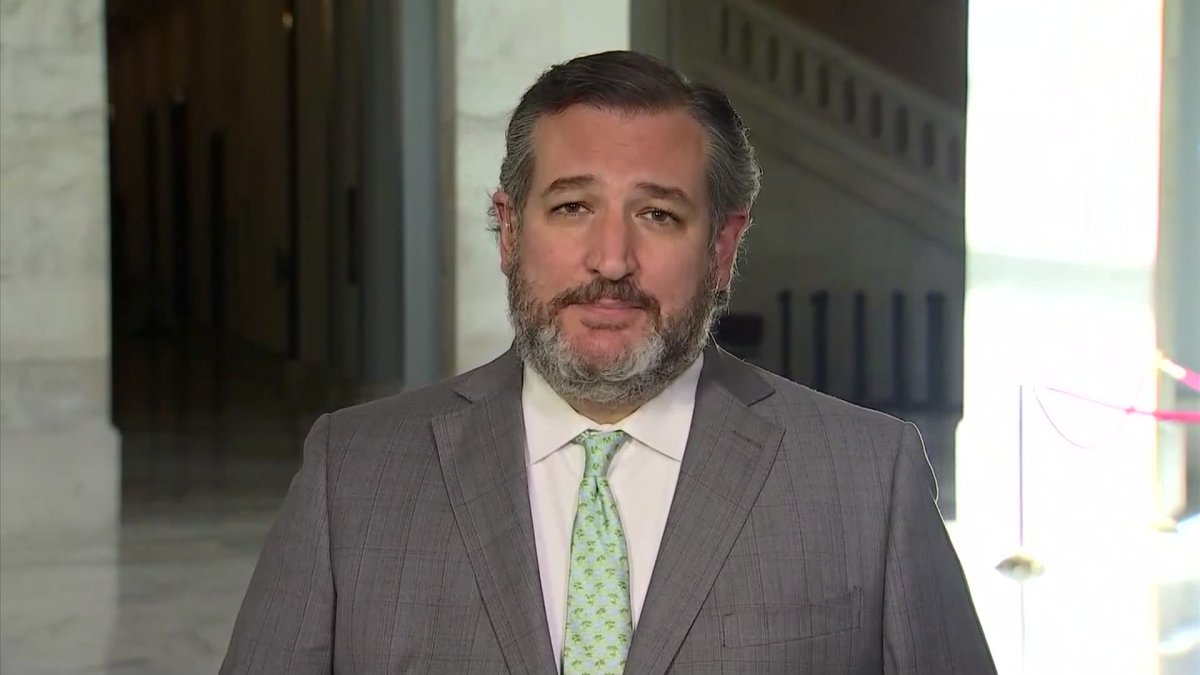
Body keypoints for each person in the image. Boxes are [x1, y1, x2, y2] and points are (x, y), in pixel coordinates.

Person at [221, 50, 995, 674]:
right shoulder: (353, 475)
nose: (613, 259)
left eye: (658, 214)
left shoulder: (866, 477)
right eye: (571, 207)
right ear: (509, 230)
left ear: (723, 247)